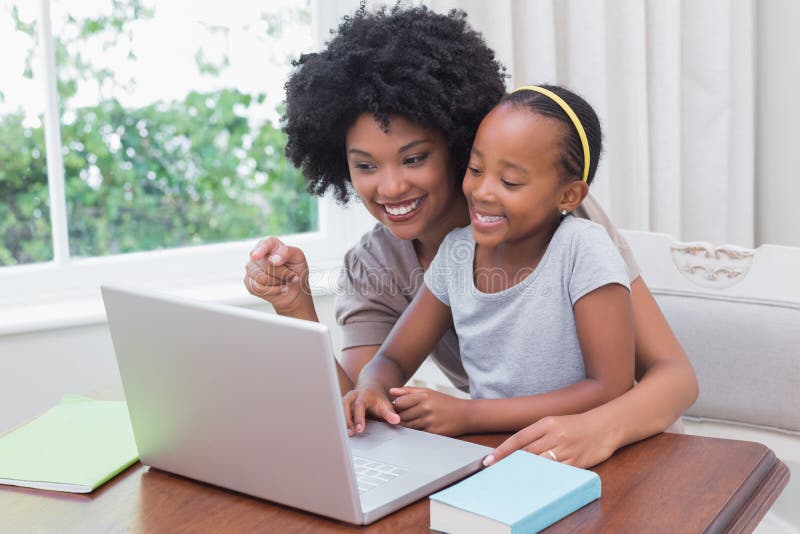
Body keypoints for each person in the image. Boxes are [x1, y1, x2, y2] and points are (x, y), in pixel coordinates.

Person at [243, 5, 698, 468]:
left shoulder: (562, 223)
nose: (391, 186)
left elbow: (669, 377)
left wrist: (599, 427)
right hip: (505, 456)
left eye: (414, 158)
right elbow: (369, 410)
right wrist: (296, 307)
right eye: (365, 165)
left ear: (456, 144)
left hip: (623, 451)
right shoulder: (390, 263)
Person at [342, 84, 637, 451]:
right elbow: (392, 357)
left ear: (569, 196)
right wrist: (372, 384)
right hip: (493, 452)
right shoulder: (456, 253)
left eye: (509, 181)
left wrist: (470, 414)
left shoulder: (583, 249)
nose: (482, 192)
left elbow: (610, 387)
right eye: (476, 169)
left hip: (582, 452)